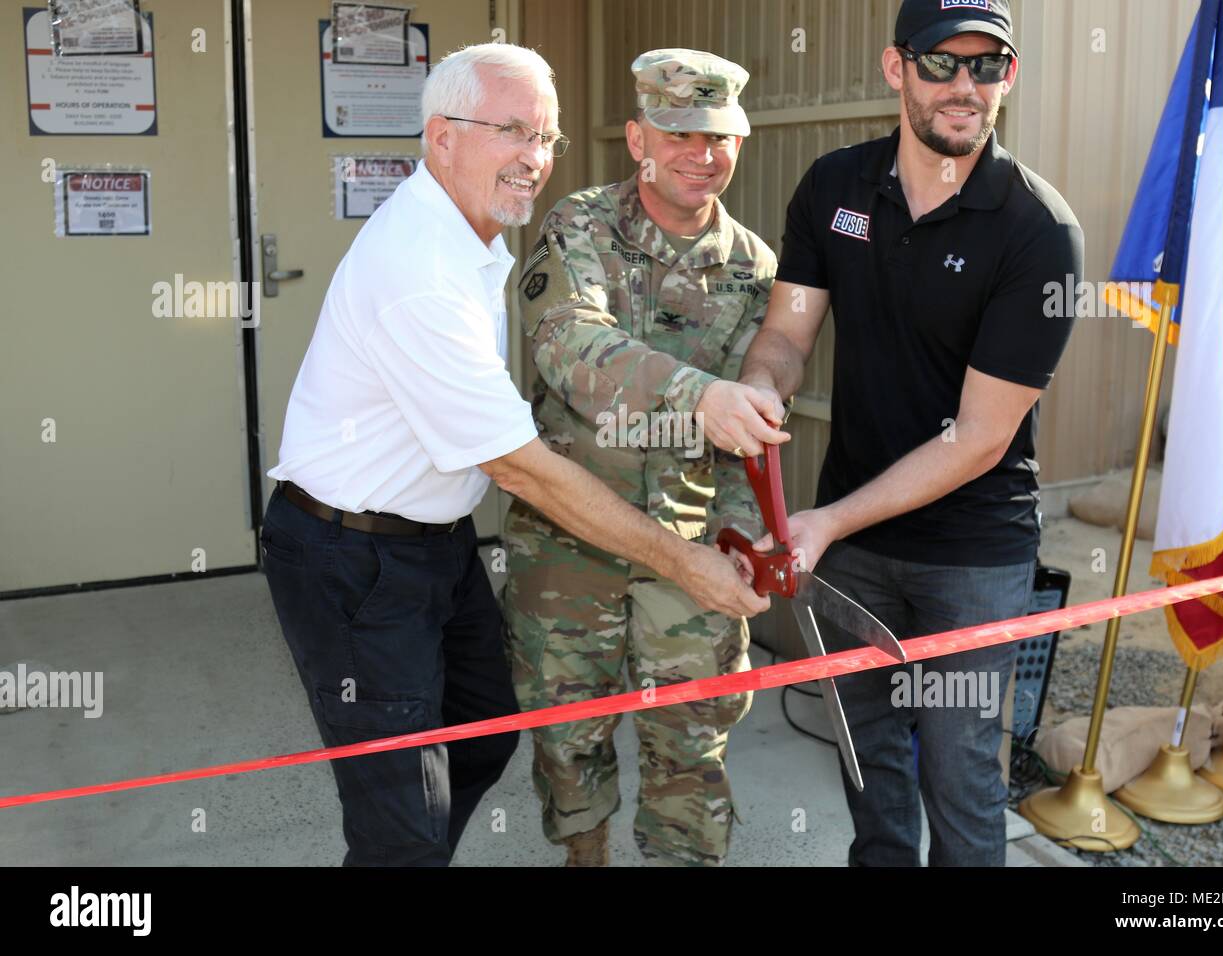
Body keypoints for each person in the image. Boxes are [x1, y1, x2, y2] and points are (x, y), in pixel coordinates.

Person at [260, 42, 767, 868]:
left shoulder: (476, 235)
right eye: (512, 132)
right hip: (354, 557)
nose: (533, 158)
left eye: (546, 138)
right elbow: (530, 447)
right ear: (442, 138)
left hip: (437, 546)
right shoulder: (430, 264)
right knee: (404, 819)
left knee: (486, 725)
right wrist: (686, 531)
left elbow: (761, 396)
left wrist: (737, 535)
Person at [740, 0, 1083, 866]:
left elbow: (977, 439)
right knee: (867, 758)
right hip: (854, 546)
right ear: (897, 69)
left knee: (963, 777)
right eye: (941, 63)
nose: (965, 86)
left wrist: (826, 522)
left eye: (988, 66)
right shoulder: (835, 187)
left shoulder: (1040, 231)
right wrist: (758, 389)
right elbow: (788, 333)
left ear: (1010, 77)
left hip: (971, 553)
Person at [504, 48, 784, 866]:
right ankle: (584, 856)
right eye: (680, 134)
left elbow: (748, 440)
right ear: (638, 137)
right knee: (567, 732)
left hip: (689, 552)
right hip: (569, 543)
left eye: (721, 138)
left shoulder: (753, 268)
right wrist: (700, 395)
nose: (703, 155)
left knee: (693, 743)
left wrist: (747, 538)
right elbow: (569, 345)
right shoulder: (579, 225)